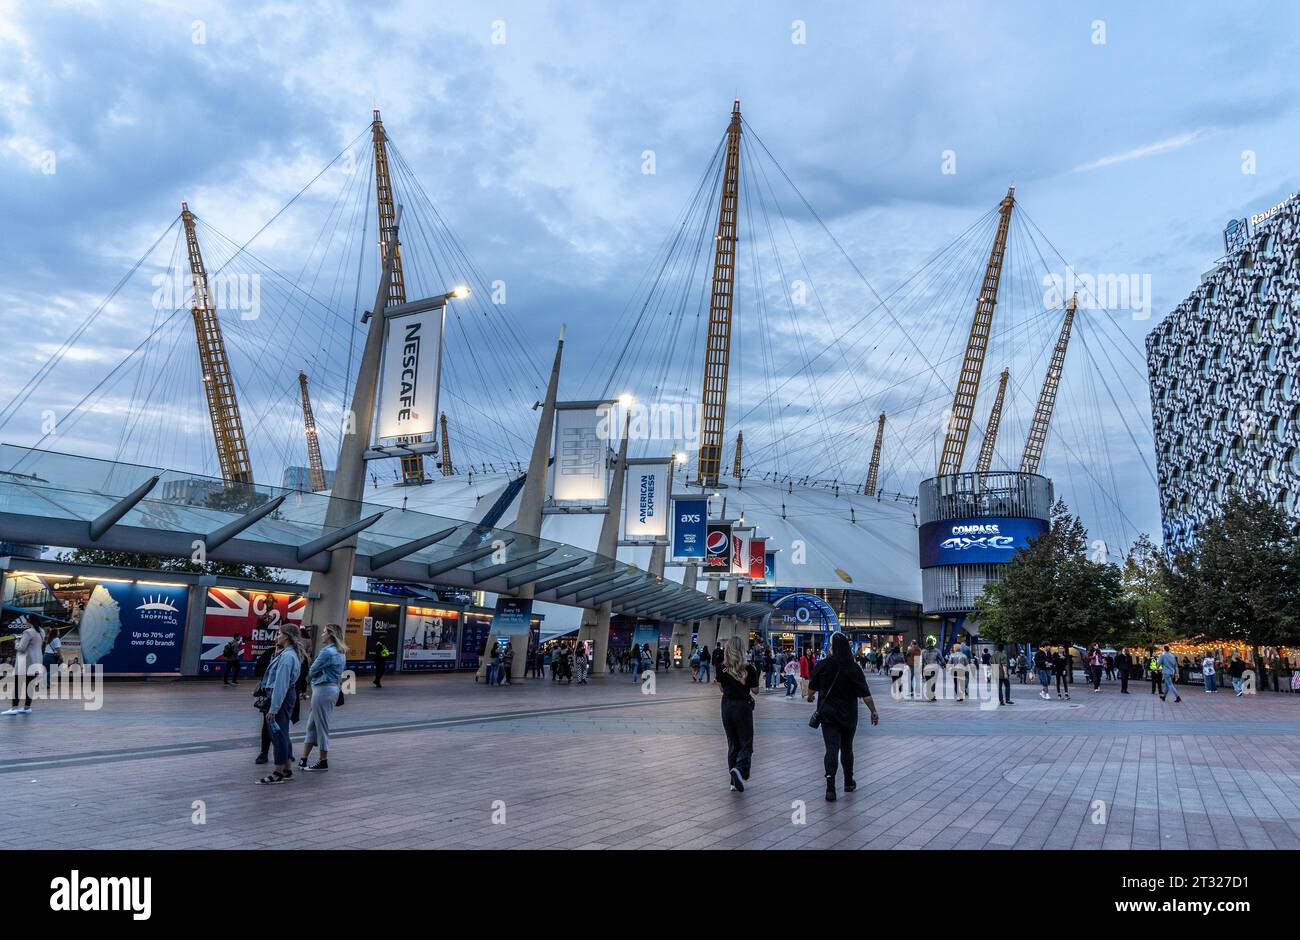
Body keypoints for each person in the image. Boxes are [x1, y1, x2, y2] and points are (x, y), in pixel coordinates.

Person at [807, 632, 879, 802]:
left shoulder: (823, 665)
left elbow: (811, 690)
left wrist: (810, 697)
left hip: (828, 716)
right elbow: (865, 695)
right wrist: (873, 711)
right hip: (849, 716)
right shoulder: (854, 668)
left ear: (832, 647)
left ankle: (830, 788)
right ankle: (848, 782)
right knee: (847, 748)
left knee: (831, 749)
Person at [257, 624, 303, 785]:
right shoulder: (287, 654)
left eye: (279, 634)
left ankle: (278, 772)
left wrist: (273, 709)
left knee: (277, 735)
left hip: (280, 698)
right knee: (282, 733)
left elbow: (280, 684)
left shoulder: (287, 657)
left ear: (287, 637)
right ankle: (287, 769)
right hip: (284, 697)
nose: (276, 636)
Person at [299, 624, 346, 772]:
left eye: (324, 632)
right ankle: (304, 759)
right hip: (331, 688)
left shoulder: (327, 652)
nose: (321, 635)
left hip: (323, 689)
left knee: (321, 726)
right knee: (312, 725)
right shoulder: (341, 652)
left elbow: (312, 669)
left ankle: (323, 761)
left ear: (331, 635)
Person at [717, 636, 759, 792]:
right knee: (746, 743)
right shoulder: (749, 668)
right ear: (742, 649)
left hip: (726, 705)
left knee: (733, 743)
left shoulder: (721, 667)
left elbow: (721, 688)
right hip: (742, 707)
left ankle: (733, 782)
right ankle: (740, 771)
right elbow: (755, 690)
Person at [3, 618, 43, 715]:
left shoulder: (28, 632)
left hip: (24, 662)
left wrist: (16, 641)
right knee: (30, 686)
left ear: (30, 622)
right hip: (36, 662)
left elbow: (21, 648)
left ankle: (14, 708)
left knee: (18, 685)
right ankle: (27, 707)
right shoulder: (41, 632)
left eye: (27, 621)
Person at [253, 641, 278, 764]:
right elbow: (257, 669)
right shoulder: (270, 652)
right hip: (268, 693)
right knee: (267, 723)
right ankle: (264, 752)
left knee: (283, 724)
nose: (278, 637)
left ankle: (285, 752)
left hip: (285, 694)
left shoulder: (292, 654)